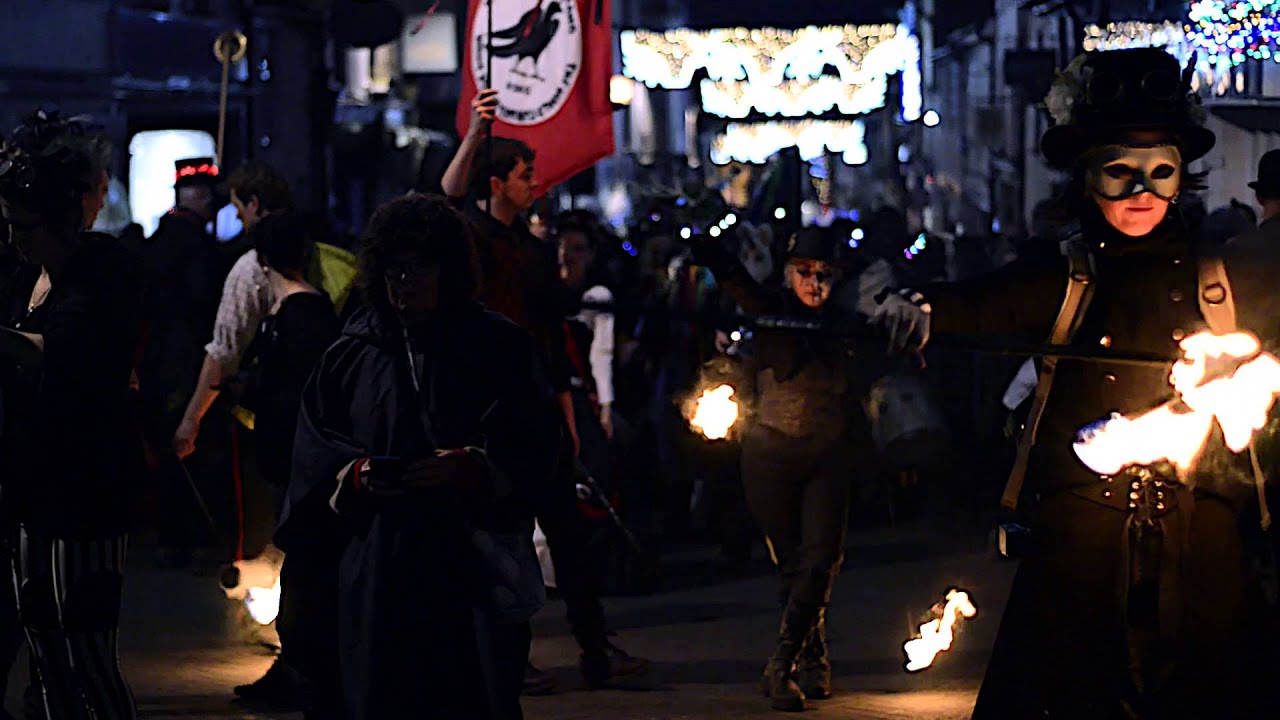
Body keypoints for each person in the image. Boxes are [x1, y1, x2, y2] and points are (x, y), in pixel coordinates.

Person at [874, 48, 1279, 717]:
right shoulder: (1065, 275)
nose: (1141, 192)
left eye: (1159, 172)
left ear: (1182, 175)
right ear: (1085, 177)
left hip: (1198, 515)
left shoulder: (1222, 280)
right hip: (1082, 520)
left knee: (1224, 678)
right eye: (1119, 172)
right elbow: (990, 301)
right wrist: (923, 309)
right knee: (1056, 682)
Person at [281, 193, 559, 719]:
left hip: (465, 566)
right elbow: (314, 451)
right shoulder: (351, 355)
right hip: (376, 569)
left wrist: (473, 465)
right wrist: (356, 475)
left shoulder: (496, 347)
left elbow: (536, 441)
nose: (402, 283)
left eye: (417, 269)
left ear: (447, 269)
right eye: (393, 269)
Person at [443, 90, 648, 691]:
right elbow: (451, 191)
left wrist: (567, 408)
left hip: (538, 413)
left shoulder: (533, 252)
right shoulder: (472, 237)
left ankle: (594, 648)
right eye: (524, 175)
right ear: (498, 182)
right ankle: (513, 657)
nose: (533, 184)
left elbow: (549, 332)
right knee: (506, 547)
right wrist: (479, 133)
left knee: (570, 539)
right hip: (492, 416)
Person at [691, 226, 877, 712]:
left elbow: (879, 358)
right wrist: (709, 249)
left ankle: (782, 664)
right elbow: (736, 283)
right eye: (805, 273)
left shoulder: (845, 325)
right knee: (793, 563)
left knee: (820, 561)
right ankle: (812, 657)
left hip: (827, 456)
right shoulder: (770, 313)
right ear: (789, 273)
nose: (815, 284)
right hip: (771, 454)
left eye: (825, 276)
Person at [0, 107, 141, 719]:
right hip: (31, 487)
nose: (13, 239)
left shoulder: (101, 270)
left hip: (87, 490)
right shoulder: (24, 274)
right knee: (46, 654)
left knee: (87, 656)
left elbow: (67, 356)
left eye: (24, 227)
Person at [235, 211, 341, 718]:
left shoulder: (296, 319)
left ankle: (300, 672)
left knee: (301, 570)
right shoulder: (311, 314)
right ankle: (296, 669)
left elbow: (292, 396)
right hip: (297, 459)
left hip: (299, 463)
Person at [137, 157, 229, 568]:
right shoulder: (194, 246)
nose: (212, 202)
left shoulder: (160, 240)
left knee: (170, 447)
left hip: (159, 358)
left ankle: (171, 535)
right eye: (207, 194)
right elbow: (202, 304)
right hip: (186, 359)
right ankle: (192, 538)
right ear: (191, 195)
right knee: (193, 448)